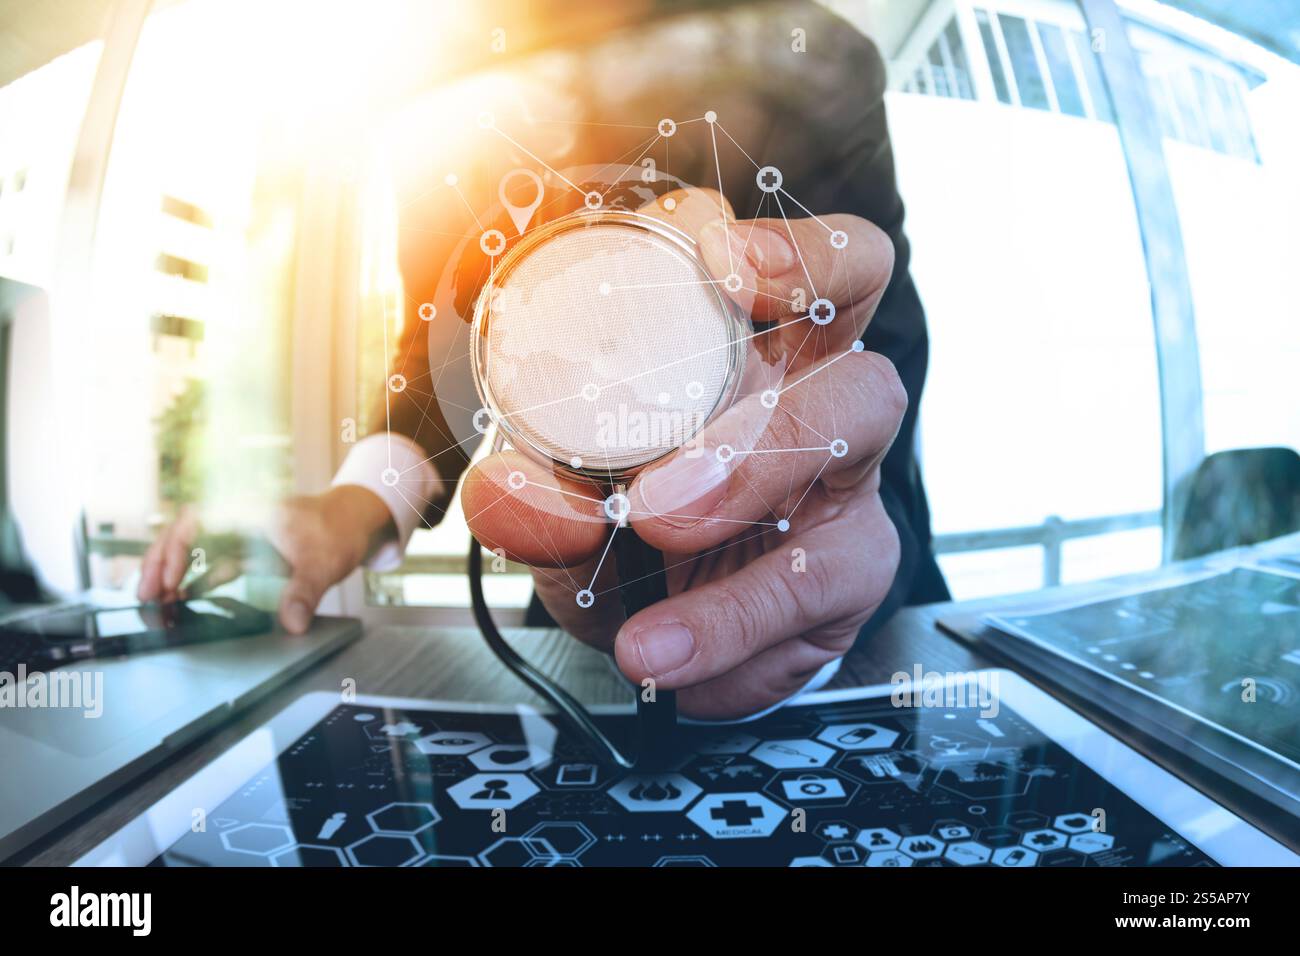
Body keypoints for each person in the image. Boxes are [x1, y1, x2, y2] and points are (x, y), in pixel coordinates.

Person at [139, 0, 949, 720]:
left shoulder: (810, 57)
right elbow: (444, 351)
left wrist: (806, 546)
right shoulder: (445, 97)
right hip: (582, 633)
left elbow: (865, 334)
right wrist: (347, 511)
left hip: (858, 642)